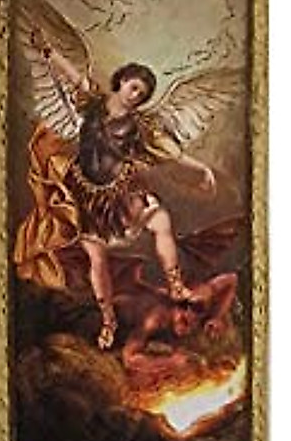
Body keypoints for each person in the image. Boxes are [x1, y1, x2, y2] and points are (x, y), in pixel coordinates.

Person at [13, 32, 216, 350]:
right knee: (97, 259)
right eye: (134, 87)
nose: (137, 95)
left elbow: (171, 154)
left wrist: (200, 168)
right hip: (87, 195)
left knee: (161, 221)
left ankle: (176, 286)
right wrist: (49, 51)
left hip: (122, 192)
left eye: (143, 94)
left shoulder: (141, 127)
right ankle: (108, 321)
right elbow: (73, 76)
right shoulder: (91, 103)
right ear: (121, 82)